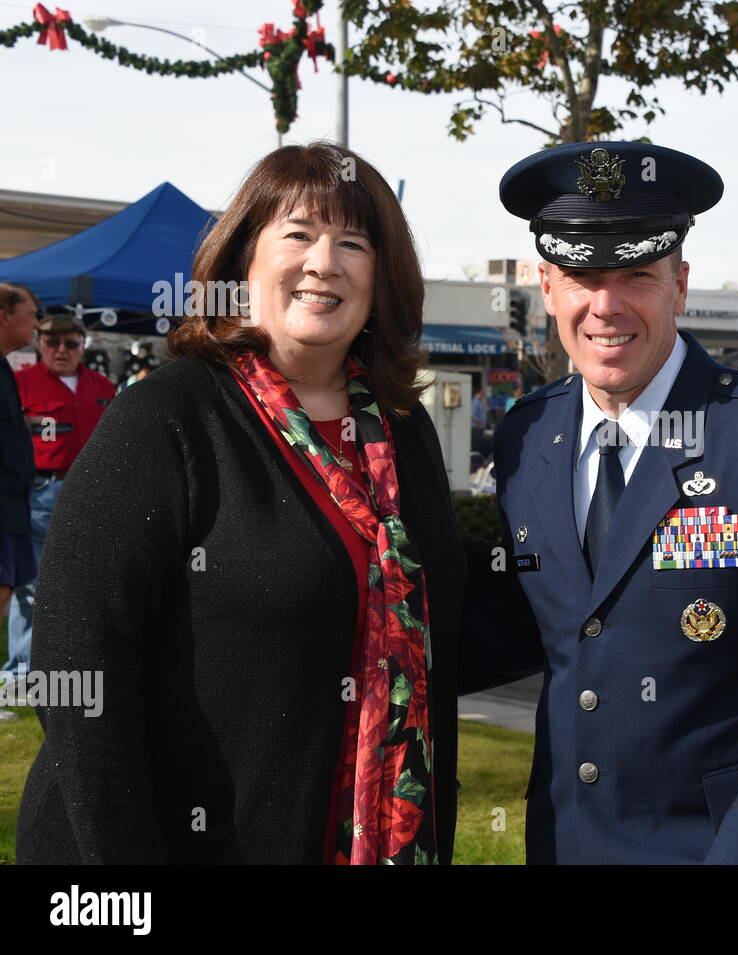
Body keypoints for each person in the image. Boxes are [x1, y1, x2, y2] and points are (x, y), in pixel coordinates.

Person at [18, 142, 466, 864]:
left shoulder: (401, 434)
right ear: (242, 262)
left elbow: (443, 612)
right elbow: (79, 673)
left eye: (352, 242)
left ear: (381, 278)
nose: (324, 262)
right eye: (298, 234)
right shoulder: (165, 420)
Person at [460, 141, 738, 865]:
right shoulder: (527, 436)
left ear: (680, 282)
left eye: (636, 273)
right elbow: (530, 620)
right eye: (581, 276)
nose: (607, 305)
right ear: (546, 284)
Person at [4, 315, 116, 687]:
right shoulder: (19, 383)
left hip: (92, 492)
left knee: (88, 580)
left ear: (83, 345)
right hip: (39, 490)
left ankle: (76, 662)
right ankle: (21, 672)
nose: (61, 350)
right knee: (31, 583)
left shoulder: (102, 385)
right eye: (52, 343)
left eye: (70, 343)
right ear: (39, 344)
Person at [0, 283, 39, 723]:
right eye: (28, 314)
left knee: (8, 593)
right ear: (3, 315)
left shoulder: (5, 368)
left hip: (13, 504)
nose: (35, 322)